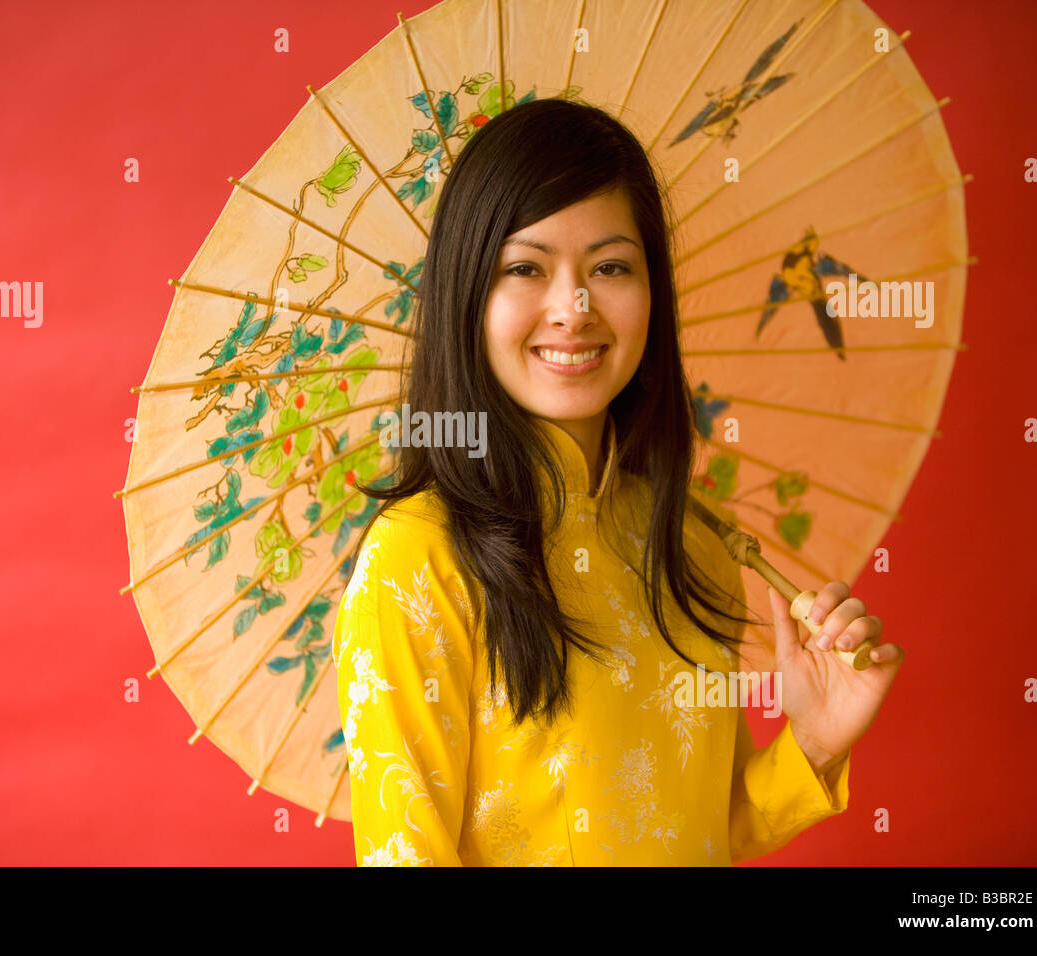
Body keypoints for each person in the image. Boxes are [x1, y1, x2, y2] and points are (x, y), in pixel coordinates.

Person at [331, 97, 903, 866]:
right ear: (469, 296)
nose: (573, 310)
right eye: (526, 268)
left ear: (651, 292)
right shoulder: (417, 563)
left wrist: (815, 742)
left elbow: (708, 832)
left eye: (609, 267)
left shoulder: (694, 544)